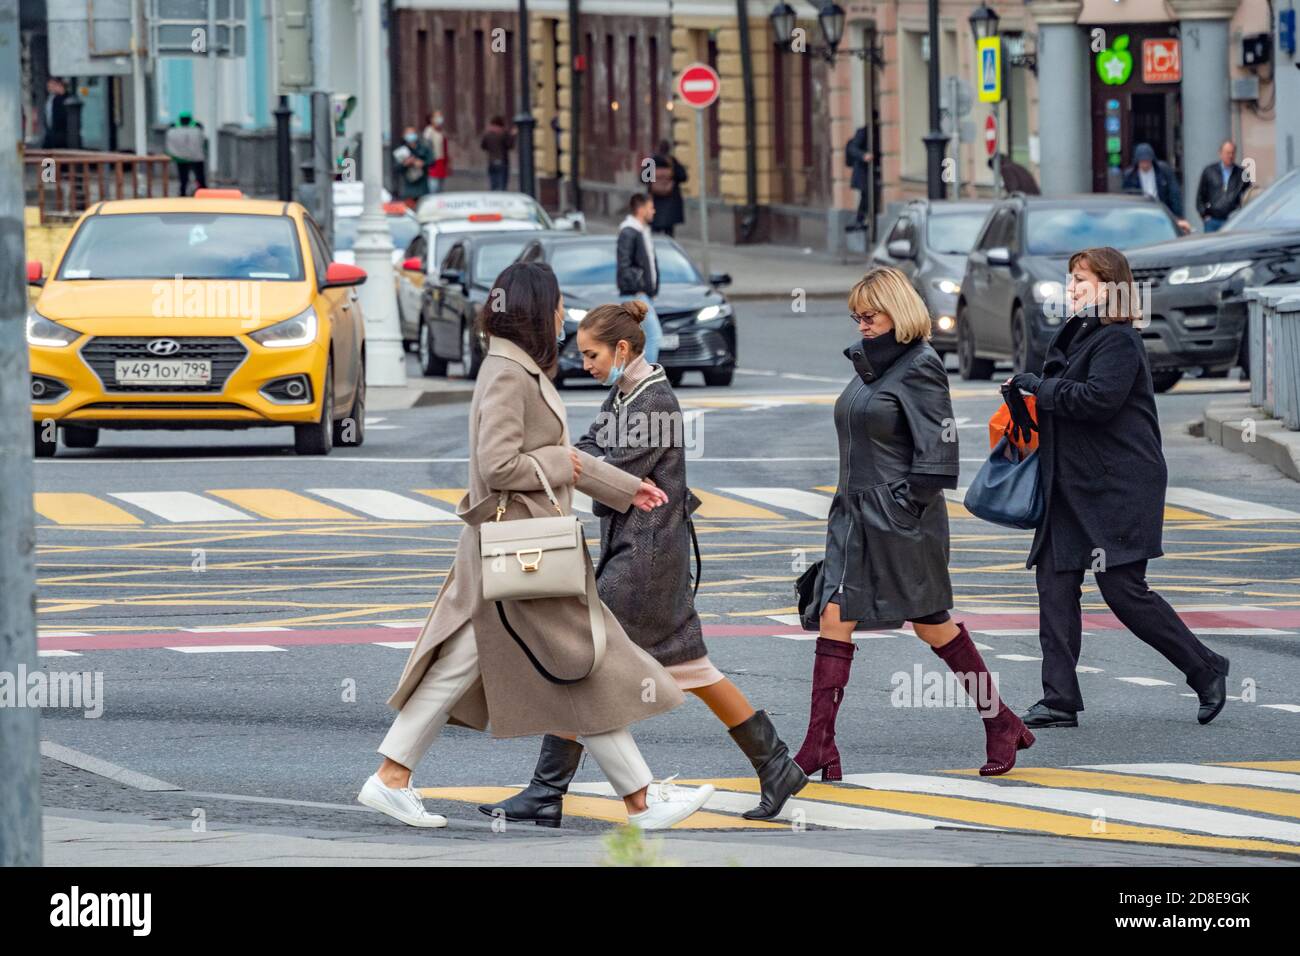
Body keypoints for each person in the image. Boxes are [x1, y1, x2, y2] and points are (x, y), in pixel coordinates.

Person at [357, 262, 716, 831]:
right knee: (583, 663)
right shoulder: (507, 372)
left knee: (472, 667)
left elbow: (559, 457)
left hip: (512, 554)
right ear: (531, 312)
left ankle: (390, 778)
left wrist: (625, 487)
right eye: (553, 306)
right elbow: (499, 465)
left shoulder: (515, 366)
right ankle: (642, 801)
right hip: (522, 551)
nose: (559, 316)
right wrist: (576, 469)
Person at [479, 301, 807, 826]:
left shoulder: (654, 401)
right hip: (640, 549)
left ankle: (548, 790)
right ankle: (776, 765)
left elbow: (606, 466)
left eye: (591, 354)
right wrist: (575, 457)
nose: (583, 364)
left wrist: (572, 459)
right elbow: (586, 449)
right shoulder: (626, 391)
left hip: (646, 559)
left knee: (580, 656)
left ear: (622, 349)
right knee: (690, 668)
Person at [792, 266, 1035, 780]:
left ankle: (1000, 722)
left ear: (897, 312)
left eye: (870, 314)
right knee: (834, 615)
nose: (861, 324)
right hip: (853, 517)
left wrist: (901, 507)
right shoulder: (871, 368)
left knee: (932, 625)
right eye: (856, 316)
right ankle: (819, 745)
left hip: (903, 521)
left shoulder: (920, 365)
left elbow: (940, 456)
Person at [1004, 247, 1230, 730]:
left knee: (1124, 589)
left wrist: (1038, 389)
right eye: (1070, 279)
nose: (1072, 288)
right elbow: (1063, 401)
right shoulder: (1078, 334)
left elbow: (1098, 401)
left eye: (1081, 280)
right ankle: (1059, 698)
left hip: (1118, 485)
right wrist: (1025, 397)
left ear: (1111, 287)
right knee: (1055, 584)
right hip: (1071, 485)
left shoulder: (1119, 341)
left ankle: (1205, 667)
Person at [616, 193, 664, 365]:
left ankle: (639, 376)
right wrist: (640, 287)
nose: (654, 211)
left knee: (641, 340)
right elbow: (624, 265)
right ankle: (647, 377)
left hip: (642, 295)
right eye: (651, 207)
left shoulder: (640, 231)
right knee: (653, 336)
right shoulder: (629, 232)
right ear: (641, 209)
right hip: (636, 295)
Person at [1123, 143, 1190, 233]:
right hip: (1140, 213)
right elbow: (1127, 196)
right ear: (1137, 161)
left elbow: (1174, 194)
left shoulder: (1163, 171)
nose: (1145, 164)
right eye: (1142, 161)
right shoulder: (1130, 175)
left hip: (1160, 210)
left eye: (1147, 161)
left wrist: (1178, 216)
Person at [1195, 140, 1248, 232]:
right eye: (1227, 153)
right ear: (1220, 153)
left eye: (1232, 153)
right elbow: (1200, 196)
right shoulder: (1209, 171)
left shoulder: (1241, 174)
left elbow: (1248, 195)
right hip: (1213, 220)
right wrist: (1204, 215)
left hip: (1233, 219)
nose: (1230, 156)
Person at [649, 139, 688, 237]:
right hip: (671, 202)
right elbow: (683, 177)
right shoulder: (672, 162)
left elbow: (642, 178)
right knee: (669, 234)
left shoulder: (652, 162)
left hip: (655, 202)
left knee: (654, 234)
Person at [164, 112, 208, 196]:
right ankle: (202, 192)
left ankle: (183, 193)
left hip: (181, 157)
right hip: (196, 157)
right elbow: (202, 141)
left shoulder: (173, 127)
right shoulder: (197, 127)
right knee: (199, 177)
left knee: (183, 178)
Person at [394, 125, 433, 207]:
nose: (410, 136)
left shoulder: (423, 148)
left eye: (412, 133)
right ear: (404, 136)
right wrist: (405, 164)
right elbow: (396, 168)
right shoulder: (401, 150)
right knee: (410, 210)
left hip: (423, 187)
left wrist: (422, 163)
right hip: (408, 188)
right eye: (408, 133)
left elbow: (431, 161)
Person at [845, 125, 874, 229]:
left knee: (869, 196)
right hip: (864, 173)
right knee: (866, 196)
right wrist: (863, 155)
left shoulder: (877, 131)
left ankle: (862, 220)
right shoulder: (864, 131)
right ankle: (860, 221)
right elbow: (852, 148)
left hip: (873, 173)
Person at [481, 115, 515, 191]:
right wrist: (512, 136)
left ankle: (493, 198)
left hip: (491, 161)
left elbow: (483, 146)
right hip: (502, 161)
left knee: (493, 184)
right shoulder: (503, 133)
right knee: (502, 185)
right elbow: (510, 145)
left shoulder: (487, 134)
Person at [422, 111, 450, 194]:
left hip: (441, 162)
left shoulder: (441, 131)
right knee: (433, 187)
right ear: (431, 119)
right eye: (437, 117)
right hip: (433, 162)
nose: (439, 119)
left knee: (440, 188)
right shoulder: (428, 132)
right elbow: (426, 148)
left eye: (440, 116)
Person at [41, 78, 69, 149]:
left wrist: (62, 92)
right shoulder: (50, 98)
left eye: (52, 86)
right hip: (50, 131)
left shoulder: (62, 98)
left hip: (60, 133)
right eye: (49, 86)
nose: (49, 88)